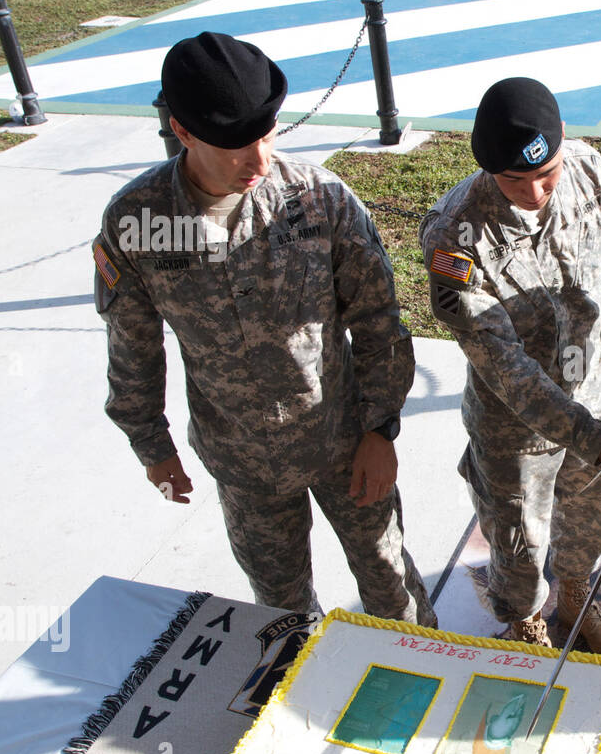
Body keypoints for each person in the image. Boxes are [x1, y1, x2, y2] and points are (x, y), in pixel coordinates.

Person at [95, 32, 434, 625]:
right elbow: (133, 346)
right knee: (280, 609)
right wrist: (152, 445)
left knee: (390, 584)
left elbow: (380, 322)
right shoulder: (138, 221)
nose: (258, 162)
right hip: (243, 461)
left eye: (268, 134)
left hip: (344, 442)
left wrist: (381, 429)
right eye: (234, 147)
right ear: (182, 131)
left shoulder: (319, 199)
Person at [419, 78, 601, 658]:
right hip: (515, 428)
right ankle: (524, 622)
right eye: (514, 181)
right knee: (517, 541)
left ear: (563, 138)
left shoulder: (592, 171)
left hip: (593, 396)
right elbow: (506, 369)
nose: (536, 192)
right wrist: (599, 439)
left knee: (588, 525)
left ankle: (575, 600)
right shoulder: (455, 235)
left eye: (546, 174)